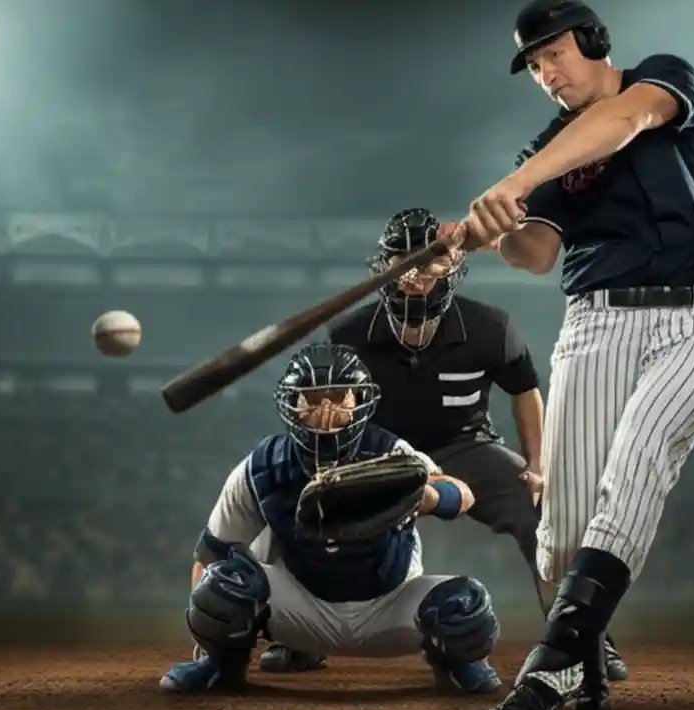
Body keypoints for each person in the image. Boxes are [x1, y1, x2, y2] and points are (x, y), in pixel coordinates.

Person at [453, 1, 694, 710]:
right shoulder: (545, 154)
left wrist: (515, 184)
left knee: (635, 467)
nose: (547, 73)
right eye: (535, 65)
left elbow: (622, 123)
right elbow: (538, 253)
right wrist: (494, 231)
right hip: (594, 328)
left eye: (555, 53)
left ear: (592, 41)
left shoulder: (661, 81)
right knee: (563, 531)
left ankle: (548, 672)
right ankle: (583, 673)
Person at [256, 208, 630, 682]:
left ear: (452, 264)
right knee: (297, 503)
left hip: (465, 448)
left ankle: (583, 639)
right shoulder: (348, 332)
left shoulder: (491, 327)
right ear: (385, 264)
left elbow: (525, 393)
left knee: (543, 514)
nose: (414, 270)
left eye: (429, 258)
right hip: (373, 457)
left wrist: (538, 463)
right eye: (403, 257)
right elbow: (324, 402)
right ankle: (298, 640)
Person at [159, 342, 504, 695]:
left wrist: (428, 496)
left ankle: (459, 667)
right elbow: (211, 553)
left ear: (360, 401)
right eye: (313, 397)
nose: (326, 410)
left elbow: (463, 495)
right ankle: (220, 666)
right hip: (299, 607)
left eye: (339, 396)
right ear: (292, 403)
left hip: (389, 606)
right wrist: (206, 639)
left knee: (465, 605)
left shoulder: (390, 452)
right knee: (221, 582)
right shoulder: (263, 465)